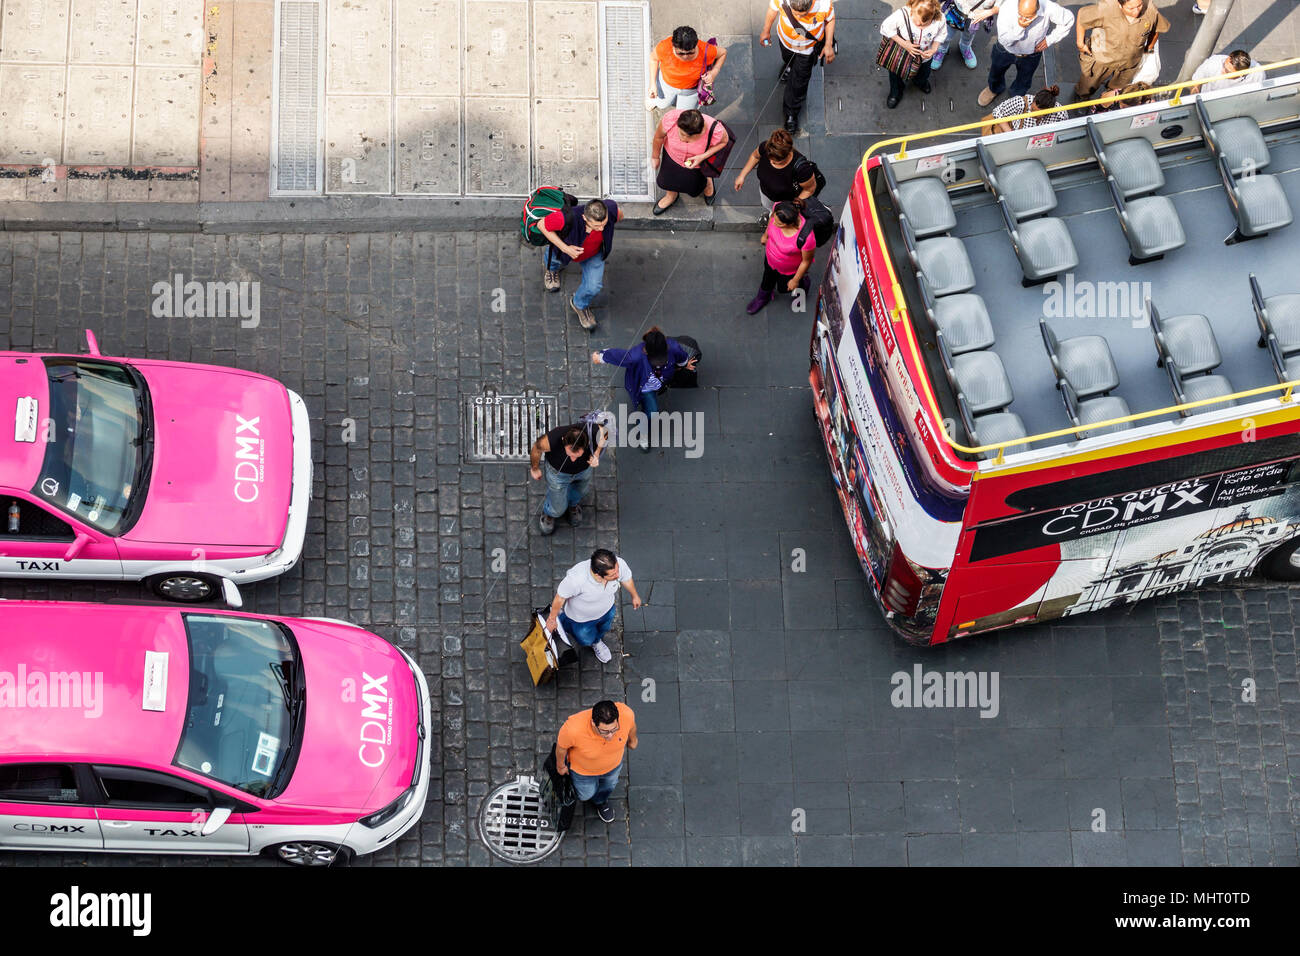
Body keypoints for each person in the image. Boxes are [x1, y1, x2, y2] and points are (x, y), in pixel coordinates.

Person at [537, 197, 623, 332]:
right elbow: (542, 225)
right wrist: (565, 248)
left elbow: (619, 215)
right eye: (596, 226)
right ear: (584, 218)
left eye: (604, 224)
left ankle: (579, 304)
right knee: (554, 260)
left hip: (594, 254)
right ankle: (552, 270)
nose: (601, 229)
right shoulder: (567, 217)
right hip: (564, 250)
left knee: (594, 286)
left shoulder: (610, 208)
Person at [545, 550, 642, 664]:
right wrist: (552, 619)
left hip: (607, 610)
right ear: (598, 574)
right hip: (581, 619)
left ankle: (596, 641)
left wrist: (634, 595)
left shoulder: (617, 565)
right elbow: (560, 597)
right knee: (585, 639)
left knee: (603, 629)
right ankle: (570, 626)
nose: (618, 575)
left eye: (617, 570)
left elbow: (626, 578)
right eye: (612, 575)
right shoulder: (576, 579)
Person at [591, 327, 698, 427]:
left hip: (659, 384)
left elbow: (682, 359)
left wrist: (684, 365)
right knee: (652, 414)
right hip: (643, 387)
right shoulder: (635, 356)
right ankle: (642, 431)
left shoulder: (674, 347)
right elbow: (618, 356)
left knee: (651, 411)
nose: (659, 365)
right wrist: (600, 356)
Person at [977, 0, 1075, 108]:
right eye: (1020, 15)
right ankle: (994, 88)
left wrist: (1050, 39)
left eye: (1028, 17)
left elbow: (1068, 19)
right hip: (1005, 50)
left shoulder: (1048, 7)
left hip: (1031, 54)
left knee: (1024, 79)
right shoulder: (1007, 8)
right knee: (996, 71)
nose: (1023, 19)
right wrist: (1021, 27)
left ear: (1038, 10)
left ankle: (1016, 97)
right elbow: (1004, 40)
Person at [554, 699, 638, 823]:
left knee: (607, 787)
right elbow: (561, 748)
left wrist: (632, 739)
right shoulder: (572, 729)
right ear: (593, 723)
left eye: (614, 729)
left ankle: (601, 802)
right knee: (585, 795)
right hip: (583, 772)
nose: (610, 736)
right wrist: (560, 766)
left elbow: (631, 726)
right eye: (605, 731)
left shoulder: (626, 714)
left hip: (613, 767)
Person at [760, 0, 836, 135]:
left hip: (807, 50)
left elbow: (830, 20)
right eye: (795, 15)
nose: (800, 18)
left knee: (799, 83)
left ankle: (791, 112)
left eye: (803, 15)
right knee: (787, 59)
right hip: (785, 42)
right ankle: (789, 67)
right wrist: (766, 30)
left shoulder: (824, 5)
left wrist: (828, 44)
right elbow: (772, 10)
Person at [1073, 0, 1169, 103]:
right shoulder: (1106, 8)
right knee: (1088, 84)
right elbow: (1082, 15)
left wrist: (1149, 47)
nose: (1136, 11)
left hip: (1129, 62)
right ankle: (1082, 97)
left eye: (1139, 6)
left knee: (1118, 87)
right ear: (1120, 4)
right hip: (1102, 58)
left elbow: (1156, 29)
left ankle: (1109, 97)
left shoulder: (1150, 9)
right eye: (1131, 8)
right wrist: (1080, 43)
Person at [529, 421, 607, 535]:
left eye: (577, 455)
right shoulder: (553, 438)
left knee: (581, 491)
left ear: (587, 444)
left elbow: (604, 433)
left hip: (583, 471)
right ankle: (550, 514)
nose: (573, 459)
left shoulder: (593, 432)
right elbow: (537, 448)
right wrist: (535, 468)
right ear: (563, 441)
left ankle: (573, 505)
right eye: (570, 454)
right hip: (558, 474)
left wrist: (596, 454)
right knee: (558, 506)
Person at [732, 128, 819, 225]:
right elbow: (755, 156)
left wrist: (792, 207)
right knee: (769, 207)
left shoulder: (802, 168)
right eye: (770, 159)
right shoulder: (766, 147)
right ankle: (771, 213)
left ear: (788, 154)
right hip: (766, 193)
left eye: (777, 162)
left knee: (782, 221)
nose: (771, 162)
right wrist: (742, 175)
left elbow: (810, 189)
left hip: (787, 201)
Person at [650, 108, 730, 214]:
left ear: (700, 133)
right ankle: (671, 196)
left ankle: (708, 182)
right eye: (680, 133)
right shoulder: (671, 119)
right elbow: (658, 137)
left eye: (686, 136)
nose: (682, 139)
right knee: (667, 180)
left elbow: (724, 142)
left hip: (698, 164)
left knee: (695, 185)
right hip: (672, 157)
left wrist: (702, 156)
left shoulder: (715, 129)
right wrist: (655, 157)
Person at [747, 201, 816, 314]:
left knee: (788, 287)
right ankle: (763, 297)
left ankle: (803, 284)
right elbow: (771, 220)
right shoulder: (778, 209)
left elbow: (806, 261)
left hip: (790, 270)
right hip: (770, 259)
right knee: (767, 278)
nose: (775, 224)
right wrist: (765, 235)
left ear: (790, 224)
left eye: (779, 224)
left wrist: (795, 280)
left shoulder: (806, 238)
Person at [879, 0, 947, 110]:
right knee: (895, 74)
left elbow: (941, 33)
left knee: (924, 72)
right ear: (912, 10)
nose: (919, 25)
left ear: (933, 16)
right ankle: (895, 92)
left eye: (924, 24)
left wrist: (934, 48)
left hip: (925, 57)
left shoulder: (940, 19)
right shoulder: (902, 14)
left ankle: (920, 82)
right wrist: (905, 44)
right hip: (901, 54)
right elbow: (885, 27)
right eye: (916, 22)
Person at [647, 26, 726, 110]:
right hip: (666, 85)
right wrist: (652, 84)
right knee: (662, 104)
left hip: (691, 91)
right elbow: (653, 59)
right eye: (680, 53)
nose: (685, 57)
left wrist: (714, 72)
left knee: (683, 113)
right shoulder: (664, 47)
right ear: (673, 46)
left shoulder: (706, 50)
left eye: (690, 53)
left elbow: (723, 53)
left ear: (696, 45)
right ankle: (656, 102)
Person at [933, 0, 998, 71]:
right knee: (946, 34)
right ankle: (942, 49)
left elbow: (1002, 3)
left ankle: (965, 47)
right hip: (958, 10)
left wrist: (991, 11)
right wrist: (970, 11)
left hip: (977, 15)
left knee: (969, 34)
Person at [989, 84, 1068, 131]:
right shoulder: (1021, 102)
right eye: (1032, 109)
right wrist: (1010, 133)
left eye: (1038, 114)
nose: (1032, 114)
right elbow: (998, 111)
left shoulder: (1060, 115)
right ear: (1034, 99)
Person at [1190, 49, 1260, 94]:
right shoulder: (1213, 62)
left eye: (1227, 71)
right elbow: (1196, 81)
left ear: (1241, 74)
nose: (1222, 70)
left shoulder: (1257, 73)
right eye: (1224, 64)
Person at [1087, 80, 1155, 113]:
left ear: (1139, 103)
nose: (1121, 104)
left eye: (1125, 104)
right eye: (1121, 101)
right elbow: (1096, 109)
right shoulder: (1110, 97)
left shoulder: (1148, 103)